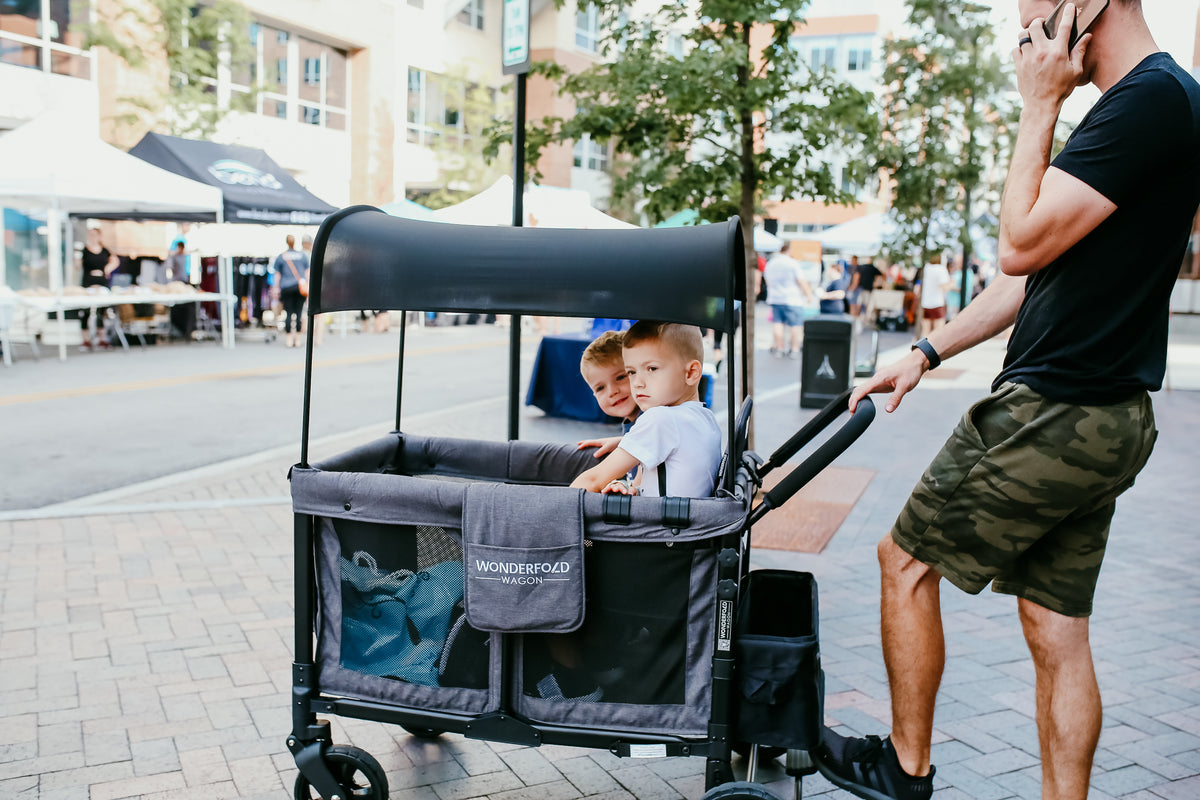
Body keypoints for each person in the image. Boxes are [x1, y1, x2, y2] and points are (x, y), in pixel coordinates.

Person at [822, 4, 1200, 800]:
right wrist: (926, 352)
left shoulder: (1148, 100)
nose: (1025, 44)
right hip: (1107, 414)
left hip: (1055, 407)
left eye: (1035, 25)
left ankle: (903, 771)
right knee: (1055, 626)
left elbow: (1018, 243)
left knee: (904, 562)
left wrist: (1038, 106)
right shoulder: (1153, 102)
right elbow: (1032, 275)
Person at [570, 321, 721, 498]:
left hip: (661, 516)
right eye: (631, 372)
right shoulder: (705, 417)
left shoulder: (660, 418)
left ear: (691, 373)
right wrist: (632, 487)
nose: (637, 383)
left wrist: (552, 506)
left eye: (652, 368)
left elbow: (594, 480)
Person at [576, 330, 641, 460]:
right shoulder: (636, 424)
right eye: (600, 388)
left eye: (620, 377)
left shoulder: (653, 419)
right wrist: (622, 441)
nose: (612, 392)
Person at [764, 241, 815, 358]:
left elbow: (767, 280)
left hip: (776, 298)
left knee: (777, 323)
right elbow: (801, 280)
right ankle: (794, 349)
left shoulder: (771, 263)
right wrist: (809, 294)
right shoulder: (792, 263)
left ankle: (780, 348)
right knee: (795, 325)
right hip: (792, 299)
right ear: (789, 250)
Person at [79, 227, 120, 349]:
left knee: (101, 312)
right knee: (86, 312)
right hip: (88, 284)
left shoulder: (105, 251)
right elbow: (78, 265)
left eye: (94, 234)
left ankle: (102, 338)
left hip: (101, 284)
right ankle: (86, 340)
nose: (92, 237)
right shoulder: (84, 250)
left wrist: (107, 269)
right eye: (90, 234)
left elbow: (115, 261)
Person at [272, 234, 309, 348]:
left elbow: (277, 275)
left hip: (286, 287)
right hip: (300, 288)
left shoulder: (281, 257)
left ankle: (288, 339)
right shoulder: (302, 256)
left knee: (288, 314)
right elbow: (307, 273)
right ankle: (297, 339)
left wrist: (276, 288)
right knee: (299, 313)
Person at [918, 253, 952, 336]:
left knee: (925, 330)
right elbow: (944, 286)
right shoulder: (941, 269)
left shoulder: (926, 268)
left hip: (926, 303)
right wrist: (952, 283)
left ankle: (923, 344)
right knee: (938, 330)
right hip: (937, 303)